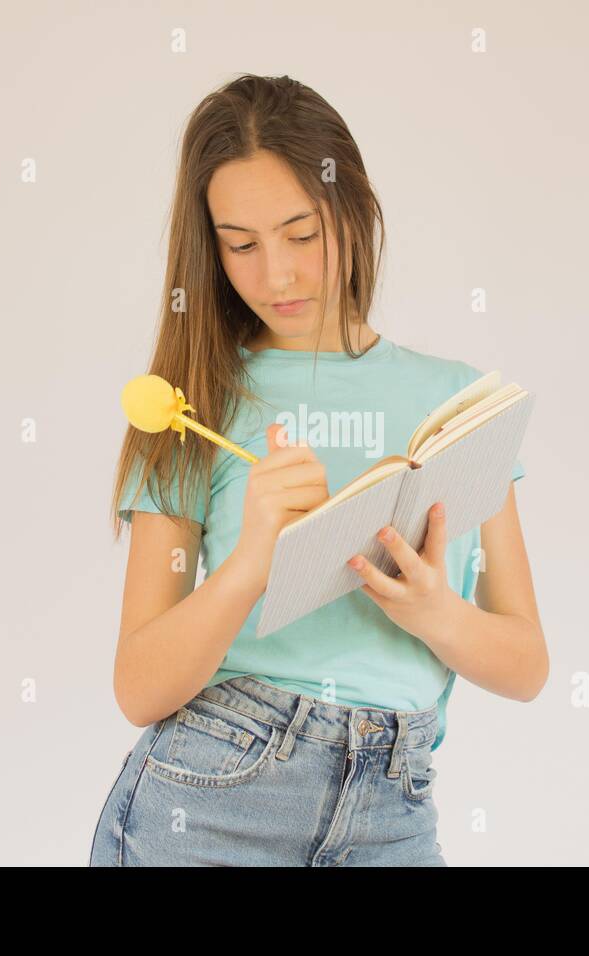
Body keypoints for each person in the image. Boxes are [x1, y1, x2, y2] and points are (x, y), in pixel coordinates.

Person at [90, 74, 547, 866]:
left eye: (301, 234)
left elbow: (526, 664)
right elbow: (139, 687)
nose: (277, 275)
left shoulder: (456, 402)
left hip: (393, 811)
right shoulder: (193, 403)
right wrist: (249, 567)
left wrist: (438, 613)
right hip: (212, 801)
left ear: (354, 207)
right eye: (241, 244)